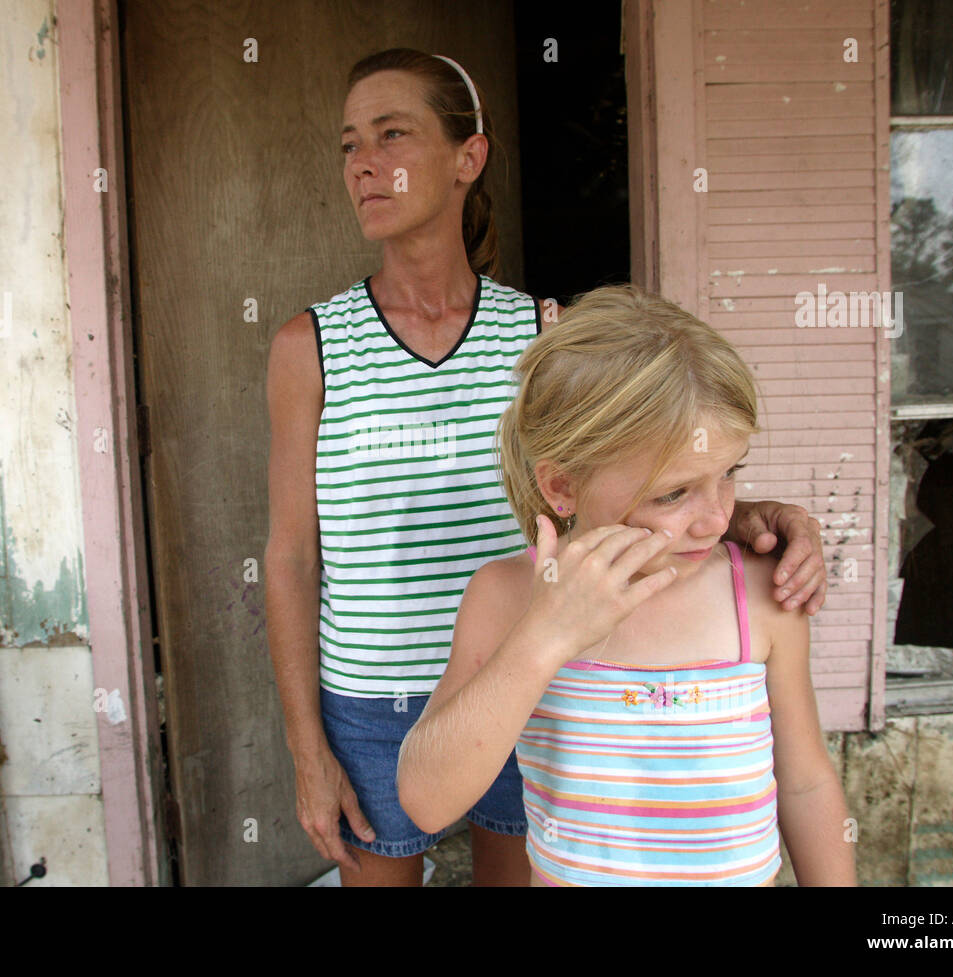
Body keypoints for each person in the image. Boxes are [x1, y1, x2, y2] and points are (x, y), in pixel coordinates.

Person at [264, 48, 830, 887]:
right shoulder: (309, 346)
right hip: (374, 697)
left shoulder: (546, 334)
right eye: (350, 145)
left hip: (546, 682)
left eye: (392, 134)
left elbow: (633, 467)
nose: (365, 165)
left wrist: (741, 513)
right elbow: (290, 556)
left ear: (469, 157)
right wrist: (307, 746)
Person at [396, 285, 857, 885]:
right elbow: (427, 800)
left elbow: (805, 780)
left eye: (728, 475)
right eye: (673, 493)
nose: (717, 519)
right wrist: (545, 638)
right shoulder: (510, 596)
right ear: (562, 487)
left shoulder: (760, 593)